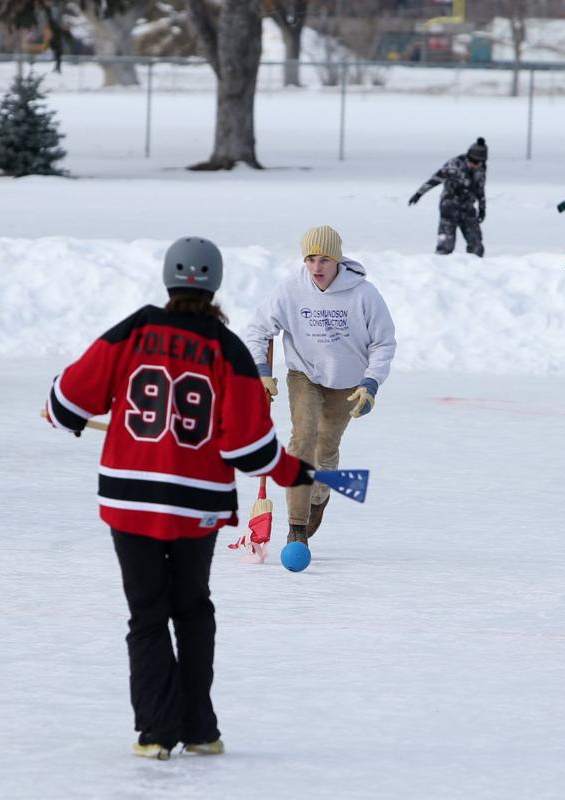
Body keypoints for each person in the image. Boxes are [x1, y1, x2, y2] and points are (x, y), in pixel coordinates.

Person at [44, 237, 316, 761]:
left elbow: (70, 398)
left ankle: (154, 733)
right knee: (192, 609)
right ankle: (199, 729)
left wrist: (62, 412)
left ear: (169, 279)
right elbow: (246, 447)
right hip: (197, 506)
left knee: (146, 614)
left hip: (131, 500)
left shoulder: (135, 329)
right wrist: (292, 470)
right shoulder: (227, 348)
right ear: (215, 284)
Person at [244, 225, 396, 544]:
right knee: (302, 441)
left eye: (324, 259)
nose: (316, 267)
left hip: (348, 383)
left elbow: (383, 343)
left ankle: (319, 496)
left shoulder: (364, 294)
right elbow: (258, 330)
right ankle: (296, 527)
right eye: (310, 259)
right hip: (305, 375)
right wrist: (261, 370)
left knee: (326, 448)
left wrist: (371, 383)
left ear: (337, 260)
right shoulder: (290, 290)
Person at [409, 137, 487, 257]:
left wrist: (482, 208)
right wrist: (419, 194)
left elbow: (480, 189)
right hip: (449, 208)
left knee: (476, 245)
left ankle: (474, 266)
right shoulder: (454, 165)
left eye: (479, 163)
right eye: (474, 162)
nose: (476, 165)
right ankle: (441, 266)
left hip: (468, 209)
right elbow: (435, 179)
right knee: (445, 246)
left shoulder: (481, 169)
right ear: (469, 157)